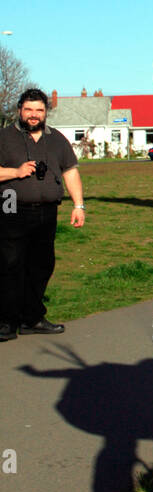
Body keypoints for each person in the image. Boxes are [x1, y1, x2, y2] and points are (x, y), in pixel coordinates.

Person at [0, 89, 86, 341]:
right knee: (9, 265)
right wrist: (15, 172)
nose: (34, 115)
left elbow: (70, 172)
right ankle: (6, 322)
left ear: (46, 112)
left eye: (39, 110)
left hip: (47, 211)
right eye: (29, 109)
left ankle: (32, 318)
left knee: (41, 265)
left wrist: (78, 205)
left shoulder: (57, 139)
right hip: (10, 206)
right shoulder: (4, 137)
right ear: (19, 110)